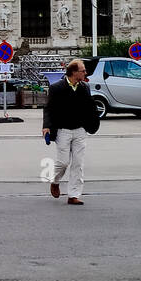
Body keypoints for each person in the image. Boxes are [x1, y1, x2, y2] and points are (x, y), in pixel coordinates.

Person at [42, 58, 99, 205]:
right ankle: (55, 182)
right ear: (74, 72)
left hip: (80, 130)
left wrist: (93, 122)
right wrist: (46, 126)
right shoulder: (56, 88)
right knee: (63, 162)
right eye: (83, 70)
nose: (85, 73)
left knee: (78, 164)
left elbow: (89, 107)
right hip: (63, 130)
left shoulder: (85, 87)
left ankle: (73, 195)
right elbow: (48, 108)